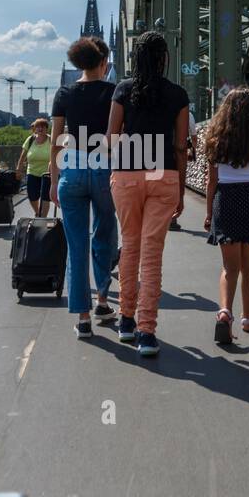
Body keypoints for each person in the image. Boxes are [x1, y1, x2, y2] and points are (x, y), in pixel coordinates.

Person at [108, 31, 189, 357]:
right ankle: (147, 333)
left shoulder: (123, 90)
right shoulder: (178, 95)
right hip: (163, 174)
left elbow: (111, 136)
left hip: (127, 173)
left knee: (130, 246)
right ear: (163, 58)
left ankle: (125, 321)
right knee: (151, 254)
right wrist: (180, 190)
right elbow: (181, 147)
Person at [50, 37, 117, 338]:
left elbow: (55, 142)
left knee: (77, 246)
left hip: (72, 170)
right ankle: (103, 300)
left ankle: (83, 317)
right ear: (103, 62)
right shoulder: (114, 92)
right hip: (103, 167)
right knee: (104, 235)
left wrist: (53, 181)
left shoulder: (64, 93)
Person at [203, 87, 249, 344]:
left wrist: (209, 212)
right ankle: (248, 317)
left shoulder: (216, 141)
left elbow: (211, 182)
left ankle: (225, 312)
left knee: (229, 267)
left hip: (225, 201)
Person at [18, 117, 53, 217]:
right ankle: (38, 213)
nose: (40, 129)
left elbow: (56, 154)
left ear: (46, 129)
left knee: (45, 197)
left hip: (47, 173)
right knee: (32, 196)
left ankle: (43, 218)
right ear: (34, 129)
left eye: (43, 127)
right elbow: (22, 156)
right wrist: (18, 169)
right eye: (38, 127)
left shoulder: (51, 140)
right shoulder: (30, 140)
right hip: (32, 172)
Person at [170, 109, 197, 231]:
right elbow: (193, 135)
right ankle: (173, 217)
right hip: (179, 152)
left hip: (163, 151)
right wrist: (193, 150)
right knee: (176, 183)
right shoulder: (188, 114)